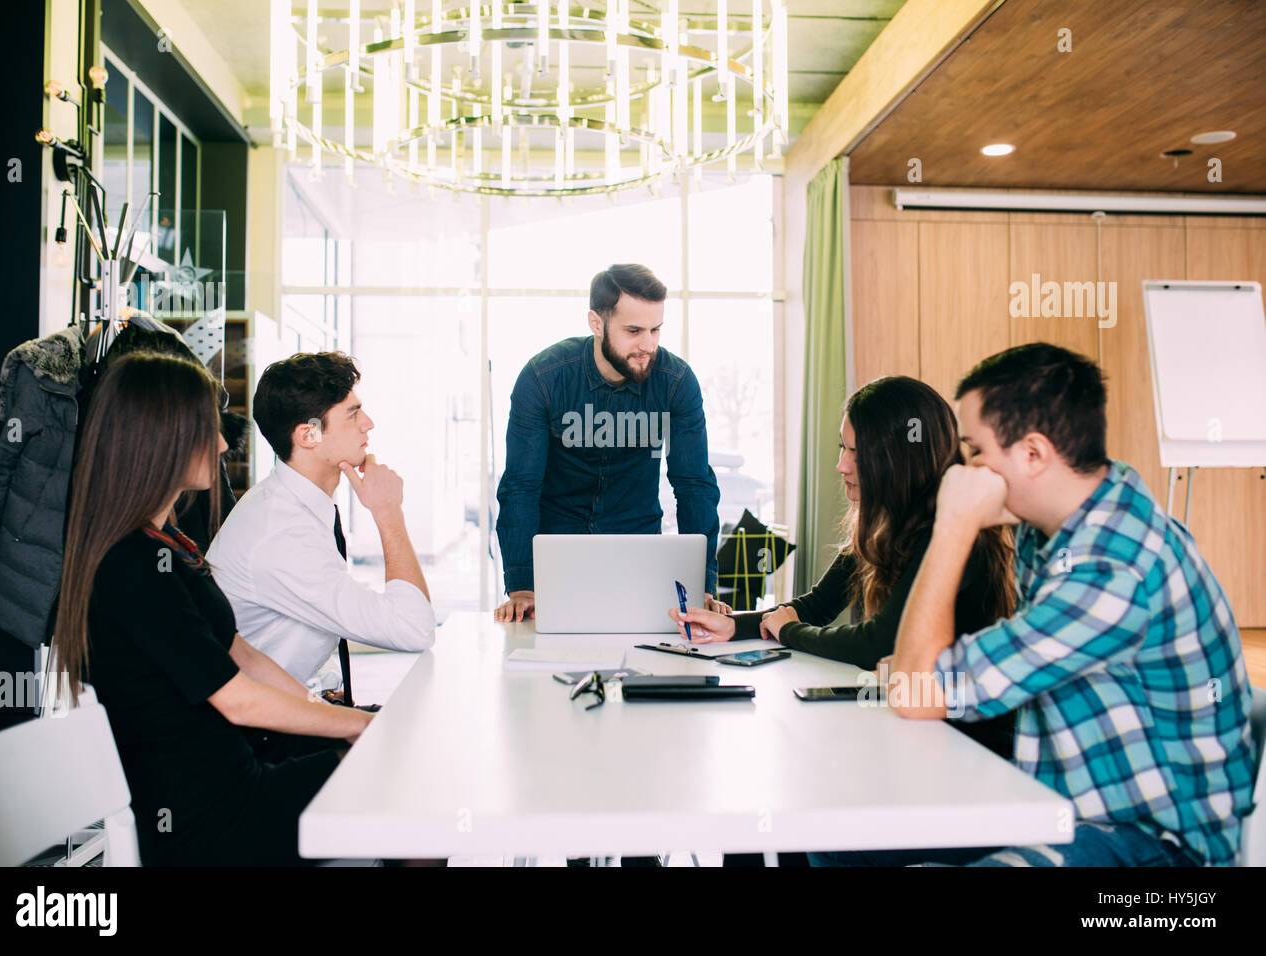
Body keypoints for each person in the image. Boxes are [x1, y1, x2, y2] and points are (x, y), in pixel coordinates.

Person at [843, 343, 1256, 866]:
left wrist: (952, 524)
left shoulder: (1111, 567)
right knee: (844, 843)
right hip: (1065, 803)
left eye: (974, 452)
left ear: (1033, 454)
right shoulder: (1062, 530)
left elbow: (914, 692)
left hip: (1154, 846)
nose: (959, 472)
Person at [51, 351, 371, 866]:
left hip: (238, 768)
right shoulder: (132, 567)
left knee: (391, 752)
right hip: (212, 819)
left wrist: (339, 717)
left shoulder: (169, 542)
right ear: (162, 439)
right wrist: (356, 727)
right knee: (401, 776)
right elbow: (239, 700)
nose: (223, 444)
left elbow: (243, 655)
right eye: (208, 430)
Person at [672, 376, 1019, 760]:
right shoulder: (885, 521)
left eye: (855, 453)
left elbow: (879, 642)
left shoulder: (950, 530)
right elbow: (819, 603)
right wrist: (737, 624)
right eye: (843, 448)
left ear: (896, 458)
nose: (841, 465)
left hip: (967, 745)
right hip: (918, 726)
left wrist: (791, 632)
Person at [207, 352, 435, 714]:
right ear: (308, 435)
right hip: (264, 732)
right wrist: (388, 513)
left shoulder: (293, 505)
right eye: (353, 414)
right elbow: (414, 630)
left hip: (303, 702)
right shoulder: (280, 534)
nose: (369, 424)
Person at [495, 264, 722, 622]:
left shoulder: (676, 382)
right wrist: (522, 586)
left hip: (637, 552)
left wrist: (702, 584)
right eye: (633, 331)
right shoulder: (543, 377)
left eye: (655, 330)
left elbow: (694, 486)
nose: (647, 345)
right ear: (596, 323)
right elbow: (520, 487)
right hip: (556, 555)